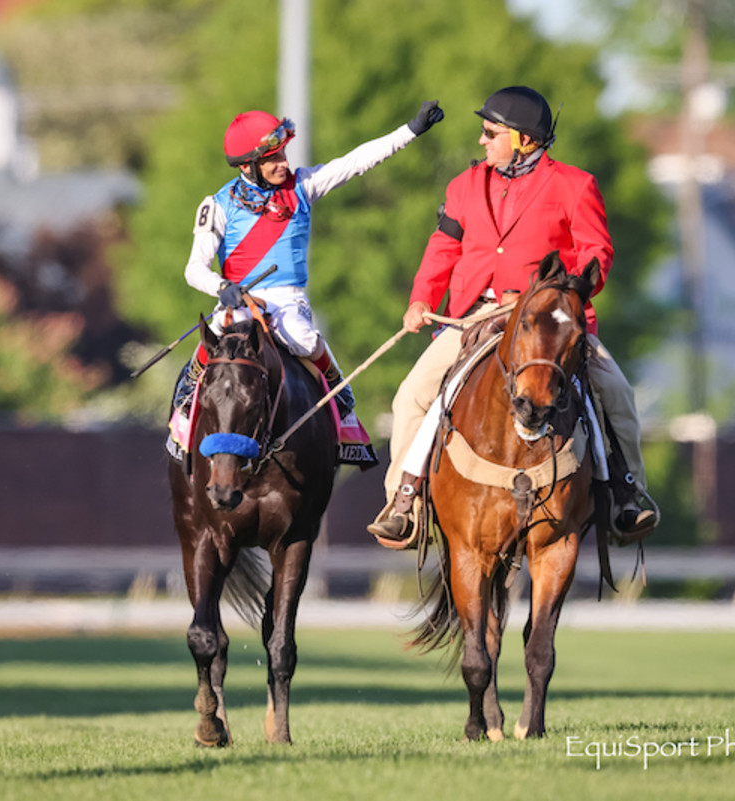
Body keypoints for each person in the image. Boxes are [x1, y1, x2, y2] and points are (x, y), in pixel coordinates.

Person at [367, 85, 657, 547]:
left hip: (547, 319)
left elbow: (597, 250)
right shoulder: (463, 186)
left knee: (616, 393)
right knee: (411, 397)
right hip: (475, 317)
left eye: (490, 132)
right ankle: (403, 503)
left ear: (523, 139)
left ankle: (628, 495)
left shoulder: (575, 184)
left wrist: (569, 290)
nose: (481, 141)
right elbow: (444, 246)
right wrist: (421, 300)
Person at [169, 101, 446, 443]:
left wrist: (411, 130)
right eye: (273, 159)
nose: (283, 163)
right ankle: (185, 402)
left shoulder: (304, 185)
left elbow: (356, 162)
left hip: (287, 301)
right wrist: (222, 287)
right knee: (213, 333)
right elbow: (194, 269)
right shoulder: (217, 204)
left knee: (303, 338)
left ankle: (341, 400)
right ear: (249, 165)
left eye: (283, 154)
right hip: (239, 298)